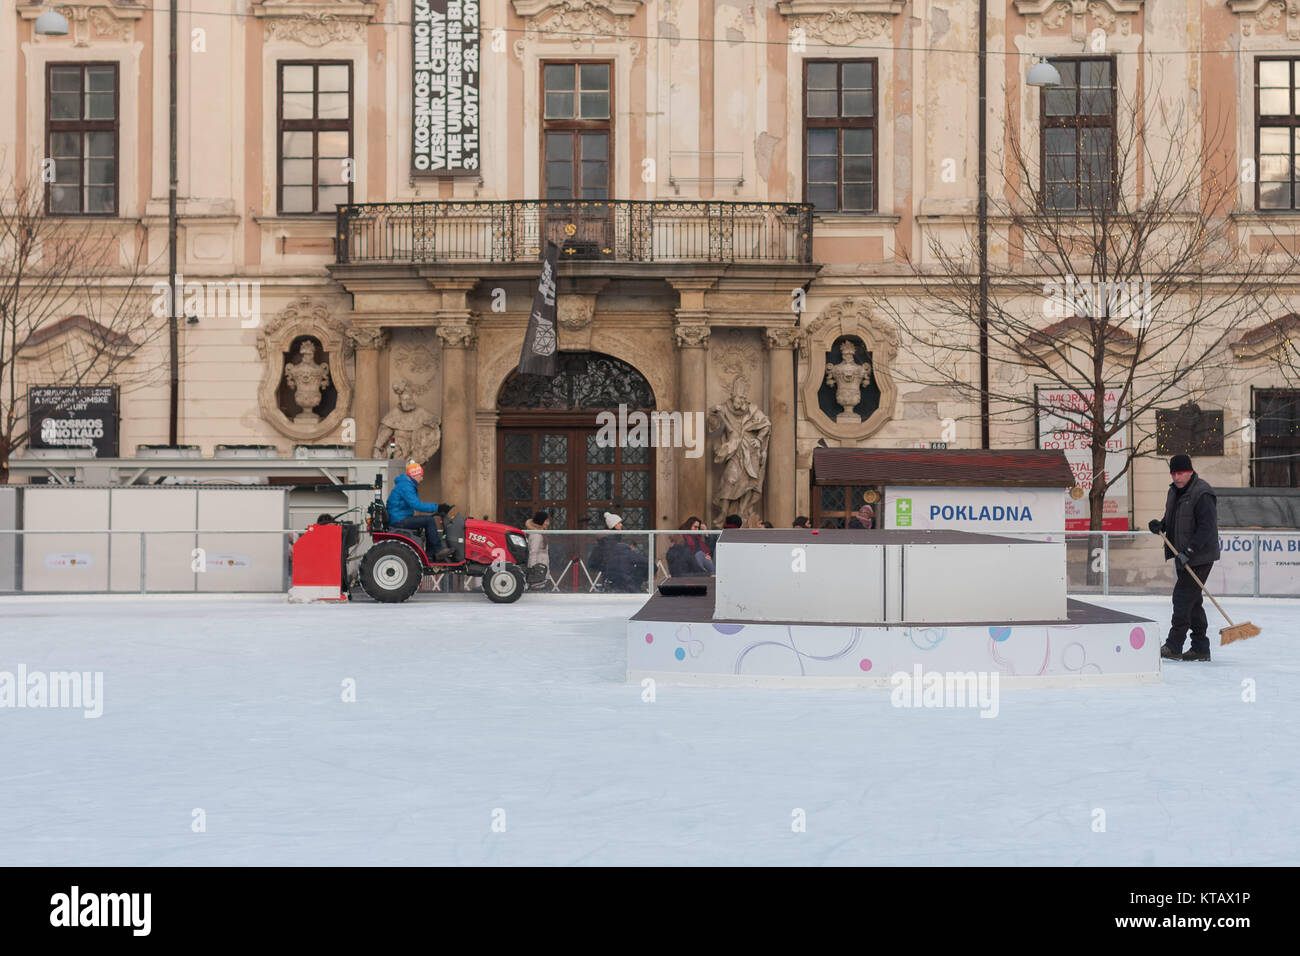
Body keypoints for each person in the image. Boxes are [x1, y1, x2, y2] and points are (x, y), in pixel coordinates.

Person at [1147, 454, 1221, 662]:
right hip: (1182, 555)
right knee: (1192, 601)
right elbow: (1172, 518)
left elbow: (1207, 527)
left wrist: (1189, 551)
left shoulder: (1202, 493)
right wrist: (1160, 525)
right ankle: (1200, 647)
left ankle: (1174, 645)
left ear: (1190, 471)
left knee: (1182, 598)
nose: (1177, 477)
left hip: (1199, 556)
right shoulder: (1174, 491)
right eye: (1174, 473)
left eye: (1181, 473)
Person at [386, 460, 453, 562]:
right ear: (414, 475)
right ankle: (438, 550)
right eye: (421, 475)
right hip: (399, 520)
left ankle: (431, 554)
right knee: (429, 521)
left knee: (428, 520)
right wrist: (437, 507)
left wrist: (437, 508)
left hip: (400, 517)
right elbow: (416, 505)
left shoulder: (405, 484)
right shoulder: (406, 486)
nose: (422, 478)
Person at [590, 512, 647, 591]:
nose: (621, 525)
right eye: (619, 523)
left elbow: (593, 564)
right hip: (620, 580)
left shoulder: (611, 541)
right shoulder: (613, 543)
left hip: (612, 578)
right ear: (614, 526)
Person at [524, 511, 550, 588]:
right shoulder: (536, 535)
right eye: (546, 521)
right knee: (538, 587)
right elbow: (533, 553)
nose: (547, 523)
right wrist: (533, 570)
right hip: (538, 566)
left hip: (542, 564)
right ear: (541, 521)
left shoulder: (541, 532)